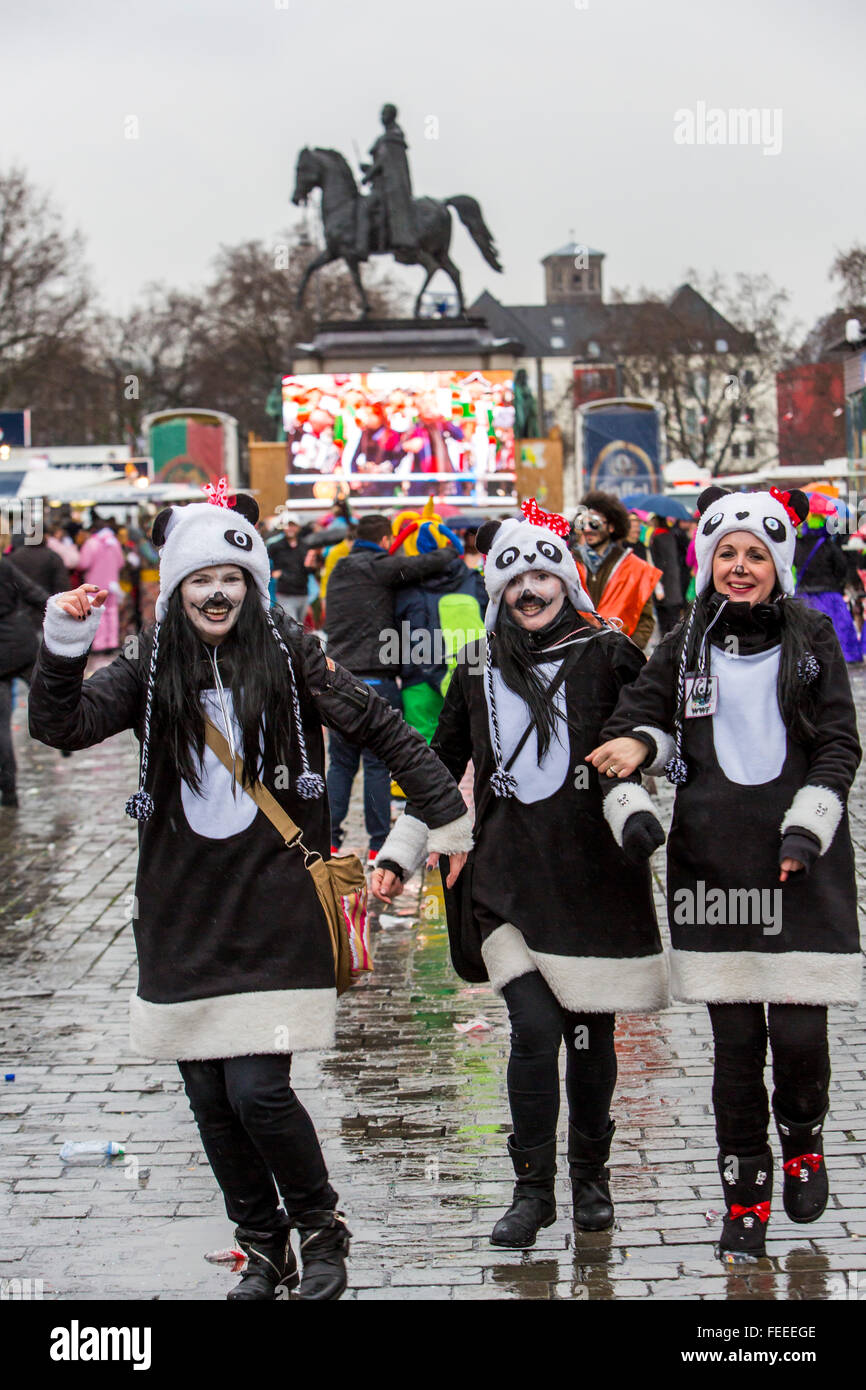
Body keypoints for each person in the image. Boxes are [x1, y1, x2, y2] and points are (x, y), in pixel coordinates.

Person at [27, 486, 471, 1301]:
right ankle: (263, 1246)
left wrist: (441, 823)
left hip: (277, 905)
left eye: (231, 577)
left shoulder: (291, 654)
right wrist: (62, 642)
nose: (216, 594)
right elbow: (62, 727)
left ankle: (321, 1226)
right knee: (209, 1095)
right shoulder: (150, 662)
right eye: (200, 579)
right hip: (182, 910)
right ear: (178, 586)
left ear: (252, 583)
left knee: (258, 1091)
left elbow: (379, 726)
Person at [372, 498, 668, 1247]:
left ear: (566, 580)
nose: (529, 591)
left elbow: (652, 728)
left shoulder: (609, 652)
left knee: (590, 1034)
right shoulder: (477, 663)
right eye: (514, 581)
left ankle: (591, 1179)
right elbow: (441, 764)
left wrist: (642, 767)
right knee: (534, 1028)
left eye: (543, 577)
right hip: (505, 880)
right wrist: (401, 852)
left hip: (594, 877)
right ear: (498, 591)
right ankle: (531, 1191)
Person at [590, 485, 861, 1261]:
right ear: (708, 560)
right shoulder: (685, 642)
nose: (739, 567)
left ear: (777, 563)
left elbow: (839, 743)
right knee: (737, 1052)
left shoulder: (812, 634)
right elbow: (640, 718)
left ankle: (803, 1134)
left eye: (755, 555)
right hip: (712, 871)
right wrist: (641, 746)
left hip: (803, 870)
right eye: (726, 554)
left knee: (801, 1039)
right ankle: (745, 1197)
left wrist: (807, 827)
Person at [324, 513, 455, 860]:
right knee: (377, 765)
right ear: (384, 540)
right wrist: (451, 548)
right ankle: (377, 846)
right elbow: (425, 564)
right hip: (376, 682)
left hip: (336, 683)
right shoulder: (380, 567)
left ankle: (329, 840)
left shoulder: (339, 569)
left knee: (340, 765)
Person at [573, 492, 662, 650]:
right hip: (577, 655)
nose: (587, 529)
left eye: (594, 523)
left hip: (618, 656)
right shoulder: (570, 564)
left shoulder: (635, 568)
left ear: (611, 527)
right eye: (583, 523)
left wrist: (628, 650)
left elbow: (646, 620)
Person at [0, 557, 48, 807]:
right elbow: (36, 594)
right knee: (45, 693)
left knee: (1, 726)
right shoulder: (4, 565)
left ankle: (9, 791)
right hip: (20, 644)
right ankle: (64, 729)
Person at [794, 512, 861, 664]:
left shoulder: (797, 545)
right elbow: (841, 567)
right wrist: (838, 583)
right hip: (829, 595)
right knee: (837, 628)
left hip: (804, 596)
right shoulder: (827, 545)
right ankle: (843, 658)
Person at [77, 522, 126, 653]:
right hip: (112, 584)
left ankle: (100, 644)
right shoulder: (114, 542)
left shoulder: (91, 543)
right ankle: (112, 641)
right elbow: (121, 562)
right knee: (112, 611)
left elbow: (83, 563)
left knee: (97, 612)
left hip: (95, 585)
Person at [267, 513, 315, 626]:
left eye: (293, 525)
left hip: (302, 593)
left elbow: (309, 570)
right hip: (285, 593)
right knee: (292, 626)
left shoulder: (305, 546)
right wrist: (275, 574)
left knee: (300, 626)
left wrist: (312, 566)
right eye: (288, 525)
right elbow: (266, 563)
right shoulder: (275, 546)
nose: (290, 528)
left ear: (298, 527)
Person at [648, 515, 684, 636]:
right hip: (675, 586)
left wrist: (658, 587)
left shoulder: (657, 538)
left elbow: (658, 564)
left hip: (664, 587)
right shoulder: (671, 536)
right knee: (674, 623)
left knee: (665, 626)